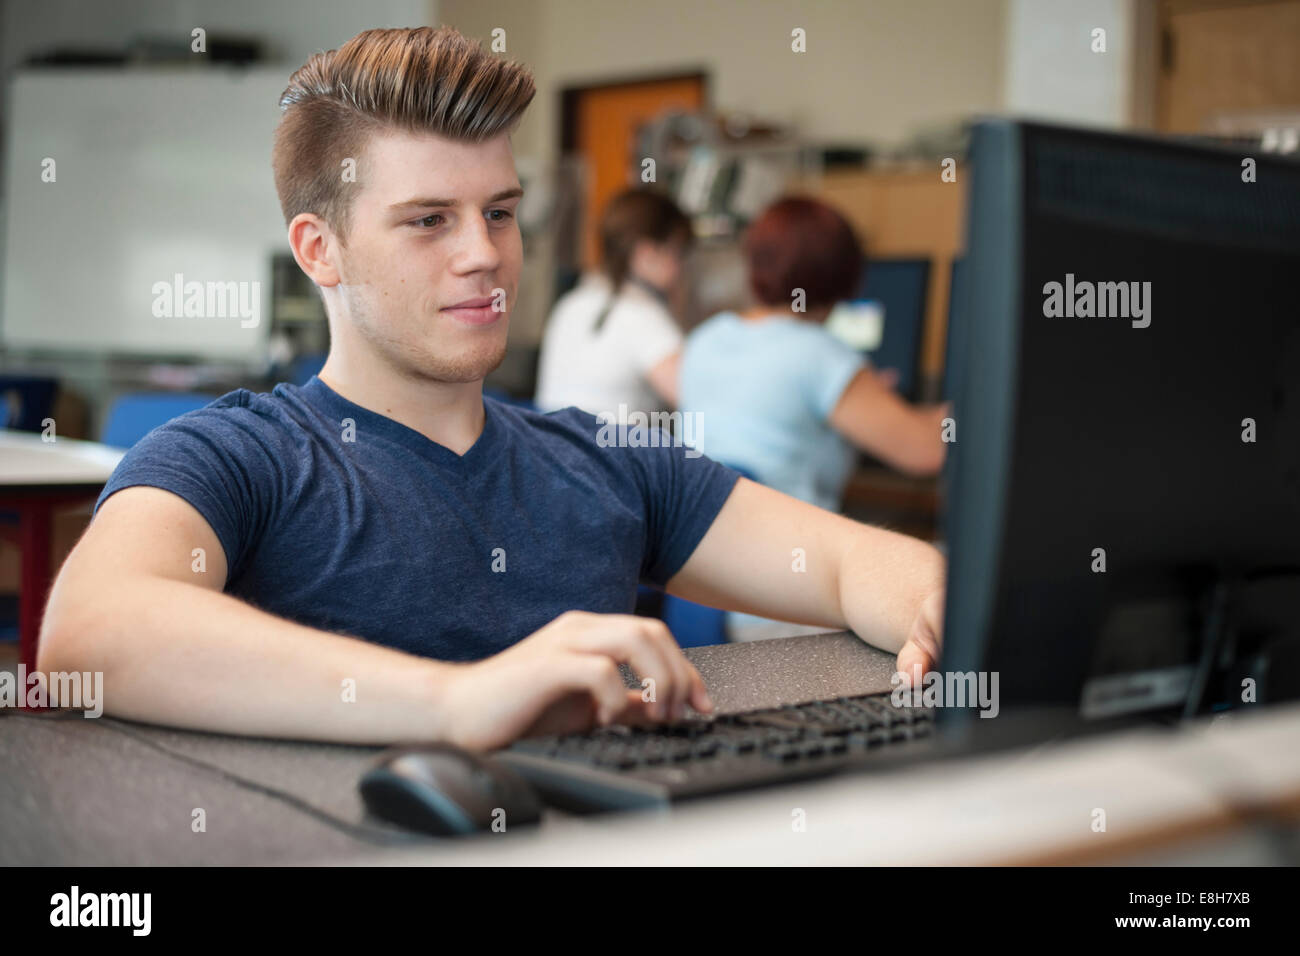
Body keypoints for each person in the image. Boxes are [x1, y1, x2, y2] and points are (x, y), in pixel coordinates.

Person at [39, 26, 944, 751]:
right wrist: (458, 701)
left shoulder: (604, 460)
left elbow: (847, 563)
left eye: (500, 213)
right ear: (321, 250)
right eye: (429, 220)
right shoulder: (240, 457)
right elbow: (90, 628)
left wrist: (939, 604)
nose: (484, 254)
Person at [679, 196, 948, 641]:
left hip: (705, 588)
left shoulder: (705, 340)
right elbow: (925, 450)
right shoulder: (821, 354)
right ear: (841, 274)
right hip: (785, 603)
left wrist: (861, 398)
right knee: (944, 570)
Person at [534, 188, 690, 422]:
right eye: (677, 252)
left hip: (550, 450)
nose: (680, 268)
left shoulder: (571, 303)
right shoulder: (642, 315)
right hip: (607, 454)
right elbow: (698, 400)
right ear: (647, 253)